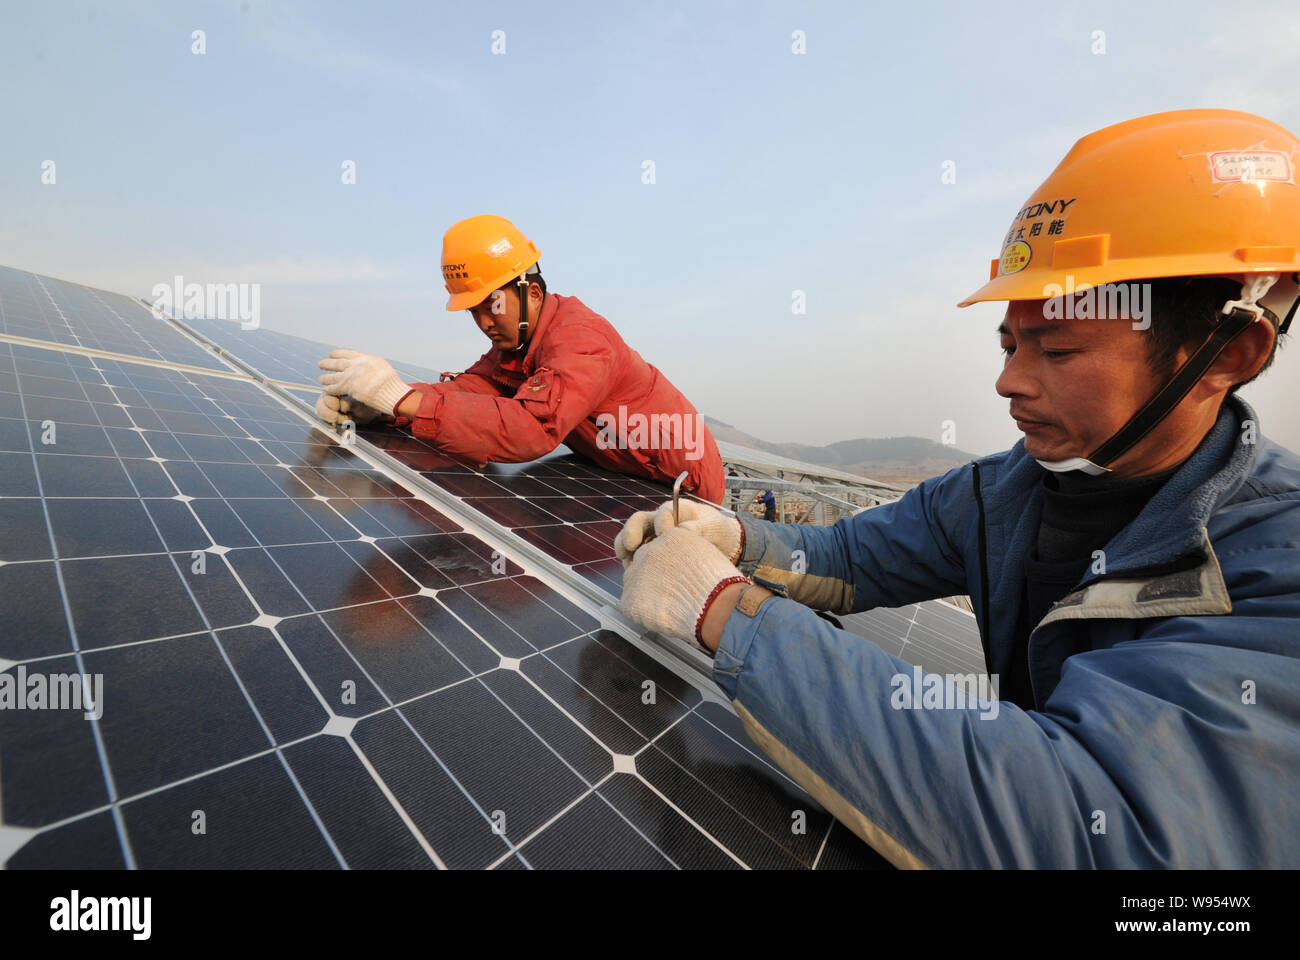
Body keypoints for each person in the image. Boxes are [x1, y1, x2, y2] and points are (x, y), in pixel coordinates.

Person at [613, 109, 1300, 867]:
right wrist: (732, 538)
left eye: (1058, 349)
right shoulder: (1002, 494)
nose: (1008, 383)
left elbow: (1091, 822)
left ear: (1227, 353)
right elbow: (849, 556)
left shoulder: (1275, 567)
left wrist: (723, 613)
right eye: (1009, 343)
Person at [314, 215, 725, 502]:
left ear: (530, 293)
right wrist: (381, 408)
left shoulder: (582, 342)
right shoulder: (516, 348)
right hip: (618, 468)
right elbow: (468, 391)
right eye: (473, 311)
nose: (483, 322)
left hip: (680, 487)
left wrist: (399, 399)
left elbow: (532, 428)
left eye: (490, 304)